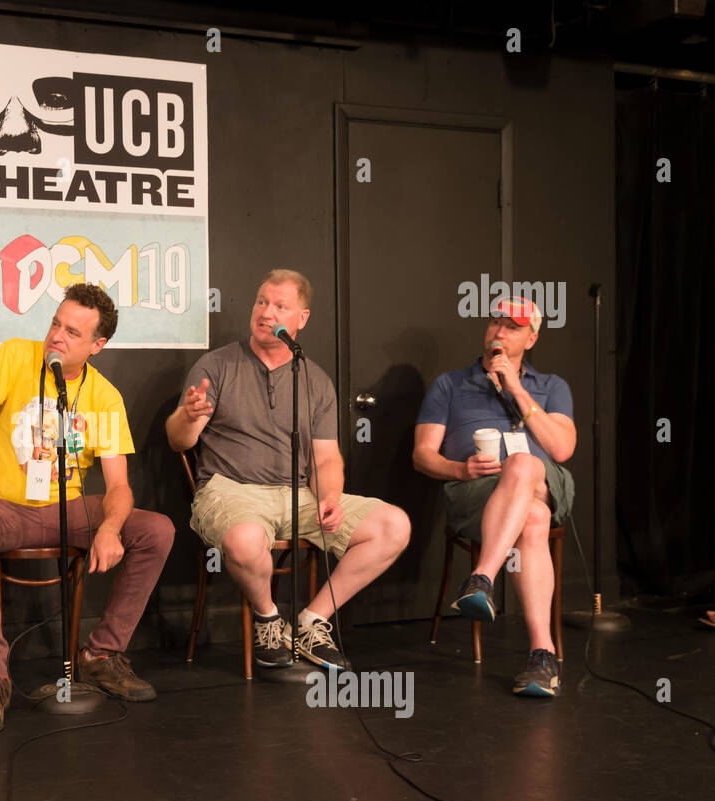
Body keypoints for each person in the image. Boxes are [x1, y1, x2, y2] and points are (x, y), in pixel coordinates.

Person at [0, 282, 174, 733]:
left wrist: (110, 526)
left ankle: (100, 656)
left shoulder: (104, 396)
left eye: (72, 331)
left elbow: (118, 486)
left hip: (69, 509)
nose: (57, 336)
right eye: (55, 323)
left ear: (97, 345)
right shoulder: (14, 356)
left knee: (157, 529)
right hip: (4, 509)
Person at [165, 269, 411, 671]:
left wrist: (330, 496)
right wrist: (188, 417)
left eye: (280, 305)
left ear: (302, 318)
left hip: (298, 495)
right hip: (230, 492)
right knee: (245, 540)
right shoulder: (215, 365)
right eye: (262, 301)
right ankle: (268, 621)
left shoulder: (313, 378)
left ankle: (312, 622)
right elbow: (180, 441)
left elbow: (326, 458)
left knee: (394, 525)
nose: (266, 312)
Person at [412, 295, 576, 697]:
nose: (500, 332)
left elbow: (561, 450)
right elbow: (421, 456)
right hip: (475, 494)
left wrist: (518, 390)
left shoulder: (551, 387)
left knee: (522, 465)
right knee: (532, 520)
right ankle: (542, 655)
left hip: (545, 482)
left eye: (513, 327)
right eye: (495, 322)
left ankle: (482, 578)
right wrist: (459, 469)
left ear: (531, 338)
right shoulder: (449, 385)